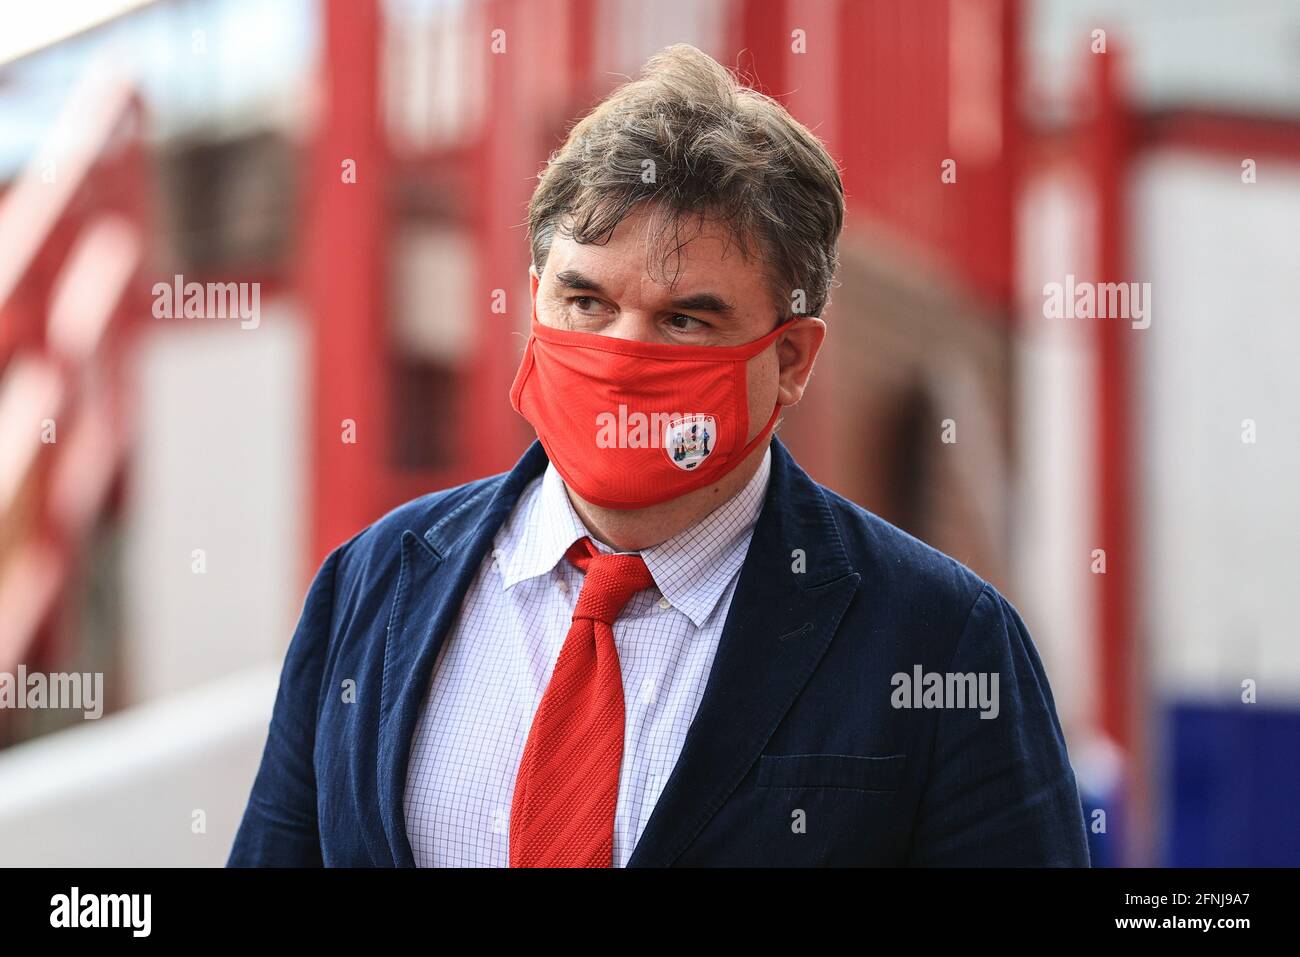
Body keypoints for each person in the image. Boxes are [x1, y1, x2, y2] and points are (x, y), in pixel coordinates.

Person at [228, 43, 1089, 867]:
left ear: (790, 360)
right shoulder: (370, 585)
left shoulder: (941, 640)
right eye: (585, 300)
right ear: (535, 300)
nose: (621, 353)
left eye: (684, 319)